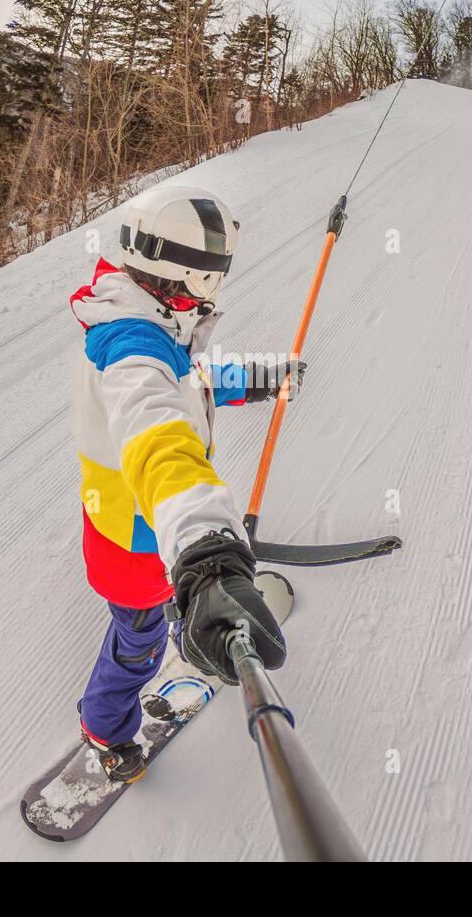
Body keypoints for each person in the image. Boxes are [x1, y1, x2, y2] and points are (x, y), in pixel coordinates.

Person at [68, 184, 299, 782]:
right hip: (138, 548)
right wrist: (206, 549)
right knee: (137, 646)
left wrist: (260, 378)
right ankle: (104, 727)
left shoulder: (150, 320)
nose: (216, 287)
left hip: (154, 534)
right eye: (212, 273)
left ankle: (184, 609)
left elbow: (189, 382)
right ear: (187, 275)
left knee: (151, 626)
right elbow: (157, 438)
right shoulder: (132, 350)